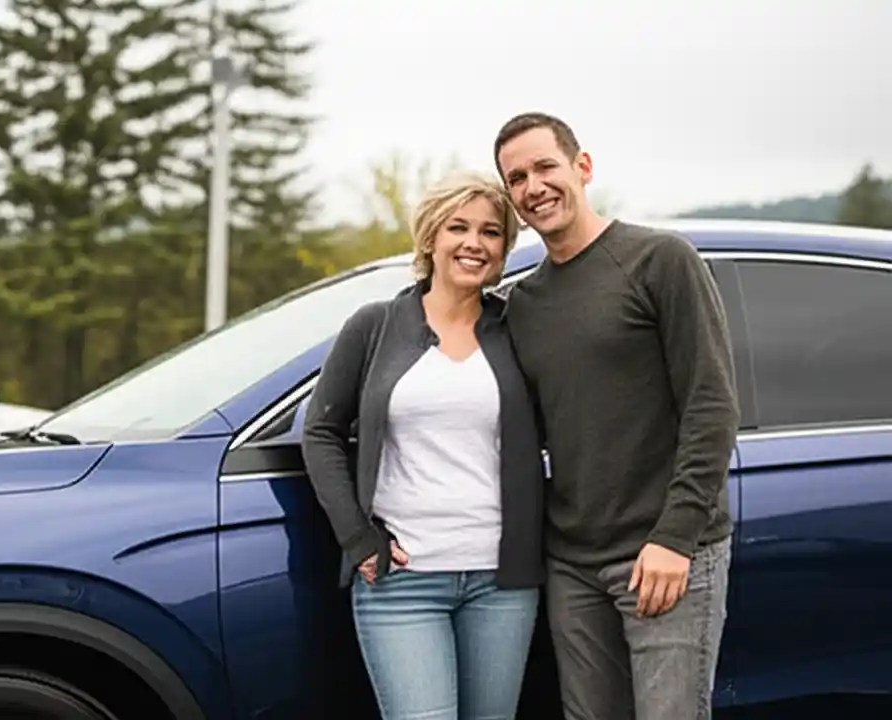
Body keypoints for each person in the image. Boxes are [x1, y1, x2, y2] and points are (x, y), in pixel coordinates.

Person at [492, 111, 740, 720]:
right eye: (517, 178)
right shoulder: (524, 304)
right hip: (573, 567)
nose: (533, 187)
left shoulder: (660, 260)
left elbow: (711, 404)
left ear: (583, 166)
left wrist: (674, 538)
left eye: (545, 166)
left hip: (662, 555)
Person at [302, 171, 546, 720]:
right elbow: (320, 433)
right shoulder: (375, 326)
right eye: (458, 227)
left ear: (504, 247)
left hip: (501, 585)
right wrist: (358, 537)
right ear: (431, 237)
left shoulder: (518, 329)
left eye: (490, 232)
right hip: (402, 585)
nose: (473, 243)